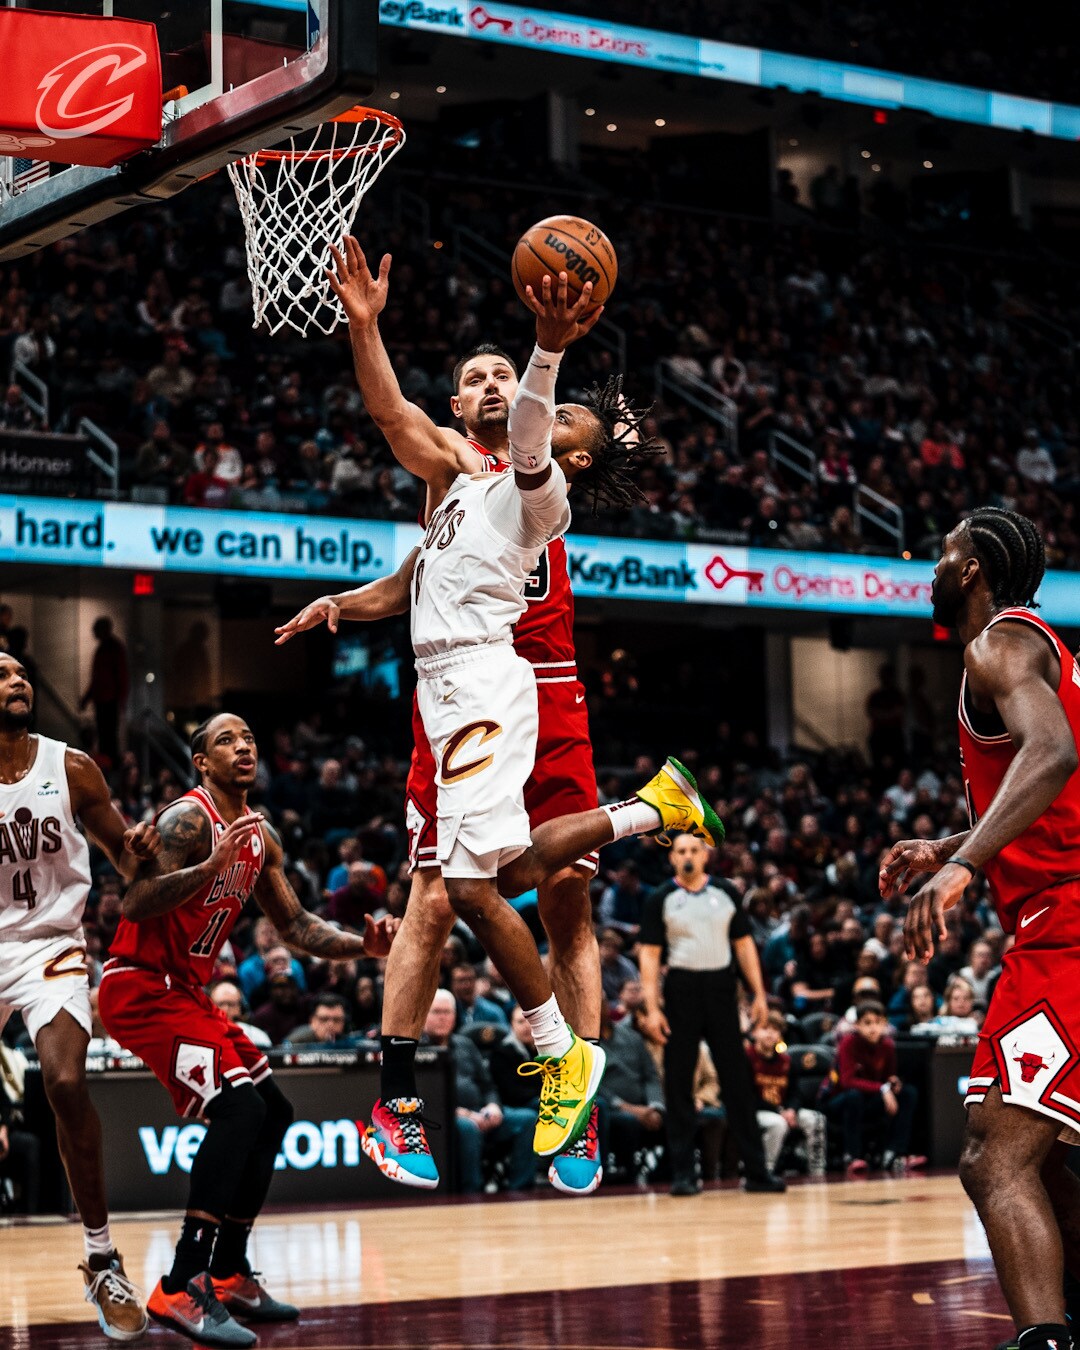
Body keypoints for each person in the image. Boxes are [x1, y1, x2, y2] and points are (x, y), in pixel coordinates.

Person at [278, 243, 716, 1195]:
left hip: (534, 681)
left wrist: (548, 358)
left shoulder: (532, 470)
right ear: (458, 402)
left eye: (502, 376)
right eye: (472, 376)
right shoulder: (448, 473)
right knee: (446, 889)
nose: (490, 384)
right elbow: (410, 564)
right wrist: (346, 606)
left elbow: (528, 426)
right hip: (460, 686)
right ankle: (409, 1097)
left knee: (553, 899)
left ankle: (577, 1096)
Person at [98, 713, 397, 1347]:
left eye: (251, 739)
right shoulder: (190, 817)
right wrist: (208, 868)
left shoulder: (260, 837)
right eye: (227, 740)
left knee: (274, 1111)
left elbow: (295, 926)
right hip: (139, 983)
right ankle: (182, 1282)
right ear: (202, 761)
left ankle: (229, 1272)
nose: (244, 747)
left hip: (186, 990)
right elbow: (134, 901)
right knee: (237, 1112)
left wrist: (361, 949)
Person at [881, 507, 1080, 1350]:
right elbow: (1049, 792)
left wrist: (965, 869)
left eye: (943, 553)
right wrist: (946, 845)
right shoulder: (1041, 646)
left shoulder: (996, 644)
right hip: (1055, 916)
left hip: (1065, 925)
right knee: (1046, 1158)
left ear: (969, 571)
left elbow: (1053, 753)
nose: (932, 566)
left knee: (995, 1158)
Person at [0, 652, 157, 1339]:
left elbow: (127, 860)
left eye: (19, 672)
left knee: (65, 1082)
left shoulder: (71, 766)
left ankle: (100, 1257)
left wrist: (146, 849)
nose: (16, 681)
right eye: (0, 673)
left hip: (51, 946)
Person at [638, 832, 784, 1196]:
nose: (687, 856)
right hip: (681, 991)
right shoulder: (661, 899)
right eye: (681, 851)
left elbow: (745, 945)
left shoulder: (726, 892)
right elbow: (650, 957)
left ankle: (756, 1172)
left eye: (693, 850)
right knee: (679, 1083)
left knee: (736, 1080)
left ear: (705, 855)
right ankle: (685, 1174)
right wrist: (653, 1008)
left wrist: (759, 994)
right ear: (672, 859)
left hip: (722, 988)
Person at [424, 988, 536, 1193]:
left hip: (482, 1113)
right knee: (467, 1128)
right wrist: (463, 1113)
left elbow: (487, 1085)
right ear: (423, 1016)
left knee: (527, 1120)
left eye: (447, 1012)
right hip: (446, 1119)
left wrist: (493, 1106)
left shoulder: (465, 1045)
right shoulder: (418, 1051)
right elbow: (424, 1097)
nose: (442, 1018)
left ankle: (520, 1189)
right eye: (436, 1012)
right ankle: (472, 1192)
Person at [823, 1002, 923, 1176]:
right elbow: (847, 1082)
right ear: (857, 1025)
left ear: (884, 1024)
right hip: (837, 1100)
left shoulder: (887, 1046)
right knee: (854, 1096)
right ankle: (852, 1156)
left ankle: (894, 1153)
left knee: (908, 1093)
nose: (873, 1028)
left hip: (868, 1098)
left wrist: (893, 1084)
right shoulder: (848, 1043)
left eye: (877, 1022)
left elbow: (888, 1077)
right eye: (867, 1023)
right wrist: (883, 1088)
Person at [747, 1012, 826, 1176]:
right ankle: (766, 1170)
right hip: (756, 1111)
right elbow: (747, 1096)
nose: (770, 1033)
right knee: (777, 1123)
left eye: (775, 1030)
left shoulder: (786, 1061)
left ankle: (817, 1170)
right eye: (765, 1028)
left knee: (816, 1119)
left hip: (783, 1110)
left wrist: (791, 1110)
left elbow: (796, 1093)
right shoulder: (747, 1058)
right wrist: (779, 1111)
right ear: (753, 1032)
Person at [80, 617, 128, 768]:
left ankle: (111, 764)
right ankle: (106, 763)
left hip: (110, 698)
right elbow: (97, 678)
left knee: (109, 735)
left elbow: (121, 676)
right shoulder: (103, 649)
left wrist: (121, 700)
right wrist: (87, 698)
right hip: (103, 698)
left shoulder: (114, 648)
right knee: (103, 734)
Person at [450, 962, 509, 1028]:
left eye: (470, 979)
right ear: (452, 984)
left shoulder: (492, 1012)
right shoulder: (446, 1011)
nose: (466, 985)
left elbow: (505, 1034)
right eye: (461, 980)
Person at [282, 994, 350, 1046]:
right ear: (312, 1021)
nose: (330, 1024)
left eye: (336, 1020)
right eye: (324, 1019)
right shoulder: (296, 1042)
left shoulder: (350, 1041)